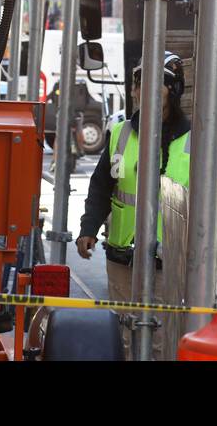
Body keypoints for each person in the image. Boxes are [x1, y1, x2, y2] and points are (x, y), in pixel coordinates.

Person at [77, 51, 191, 360]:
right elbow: (102, 186)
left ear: (174, 90)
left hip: (169, 264)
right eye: (139, 83)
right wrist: (88, 228)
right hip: (123, 259)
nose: (144, 90)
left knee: (163, 344)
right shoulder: (120, 135)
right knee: (124, 341)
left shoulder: (194, 141)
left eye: (158, 84)